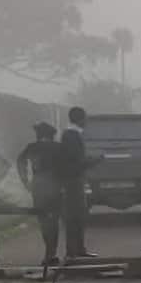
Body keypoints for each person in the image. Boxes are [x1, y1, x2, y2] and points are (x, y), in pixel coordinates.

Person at [15, 123, 64, 265]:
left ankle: (49, 253)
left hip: (38, 187)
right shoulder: (59, 147)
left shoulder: (31, 147)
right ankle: (51, 253)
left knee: (43, 220)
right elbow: (67, 167)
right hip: (55, 186)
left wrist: (25, 181)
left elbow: (20, 162)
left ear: (39, 134)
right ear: (52, 135)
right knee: (53, 220)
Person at [58, 107, 97, 259]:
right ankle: (73, 251)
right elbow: (74, 161)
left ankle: (78, 250)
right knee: (75, 216)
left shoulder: (72, 134)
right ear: (80, 119)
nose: (86, 121)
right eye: (85, 118)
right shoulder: (72, 135)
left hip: (75, 179)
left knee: (79, 215)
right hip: (73, 181)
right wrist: (93, 162)